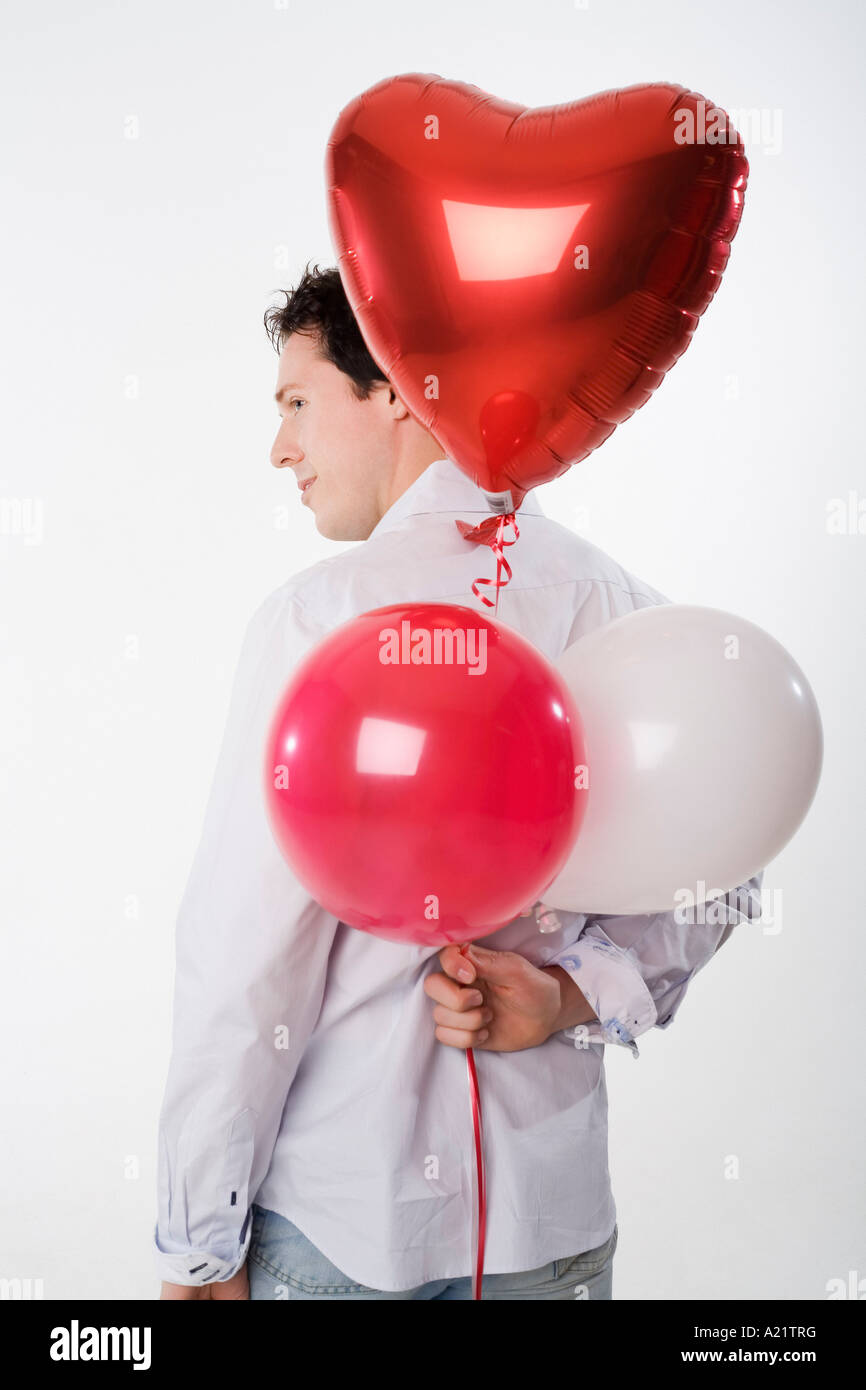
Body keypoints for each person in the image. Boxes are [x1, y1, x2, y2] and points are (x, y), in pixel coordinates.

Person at [155, 263, 764, 1301]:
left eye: (297, 402)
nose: (280, 448)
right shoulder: (613, 601)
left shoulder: (318, 620)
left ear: (393, 385)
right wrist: (574, 994)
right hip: (552, 1236)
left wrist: (196, 1239)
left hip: (343, 1235)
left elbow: (243, 961)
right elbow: (722, 858)